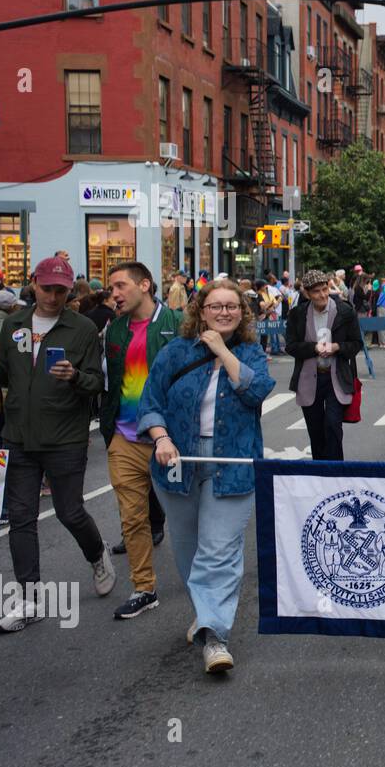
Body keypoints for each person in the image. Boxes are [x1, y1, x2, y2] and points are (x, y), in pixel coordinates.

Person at [138, 279, 275, 673]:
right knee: (188, 549)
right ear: (200, 311)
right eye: (216, 306)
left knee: (219, 550)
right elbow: (151, 402)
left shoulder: (250, 352)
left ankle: (215, 636)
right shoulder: (175, 352)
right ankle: (205, 608)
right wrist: (161, 437)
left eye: (232, 306)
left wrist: (220, 350)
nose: (224, 312)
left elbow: (257, 391)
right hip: (177, 465)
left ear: (242, 313)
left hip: (232, 468)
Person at [0, 257, 114, 634]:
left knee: (69, 511)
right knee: (21, 518)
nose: (54, 296)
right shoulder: (13, 324)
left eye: (61, 290)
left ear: (70, 290)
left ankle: (97, 553)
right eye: (47, 288)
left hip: (65, 436)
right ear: (33, 284)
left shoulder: (83, 329)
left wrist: (74, 376)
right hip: (19, 435)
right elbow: (8, 377)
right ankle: (28, 599)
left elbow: (95, 383)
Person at [100, 262, 183, 619]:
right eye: (111, 288)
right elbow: (107, 381)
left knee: (185, 515)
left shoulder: (177, 325)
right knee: (132, 519)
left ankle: (204, 579)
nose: (114, 294)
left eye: (120, 286)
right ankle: (144, 588)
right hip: (124, 438)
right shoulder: (113, 330)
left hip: (170, 439)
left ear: (145, 285)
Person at [286, 269, 360, 462]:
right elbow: (291, 346)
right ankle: (319, 473)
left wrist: (336, 347)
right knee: (315, 430)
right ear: (307, 294)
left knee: (333, 426)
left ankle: (336, 473)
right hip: (308, 378)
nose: (323, 295)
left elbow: (356, 344)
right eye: (317, 291)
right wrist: (313, 348)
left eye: (325, 289)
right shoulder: (297, 314)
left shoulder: (345, 311)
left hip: (336, 377)